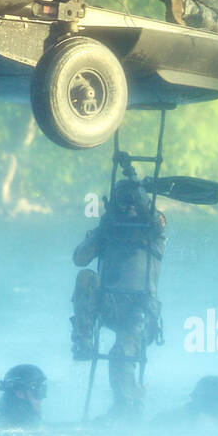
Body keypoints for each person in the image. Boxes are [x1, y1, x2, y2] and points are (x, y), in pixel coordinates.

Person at [71, 174, 165, 420]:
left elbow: (157, 221)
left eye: (134, 203)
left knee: (122, 351)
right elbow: (79, 258)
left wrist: (139, 193)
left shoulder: (152, 231)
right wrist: (103, 229)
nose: (129, 208)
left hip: (140, 309)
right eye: (123, 204)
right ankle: (83, 341)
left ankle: (125, 405)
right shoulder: (108, 230)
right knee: (86, 277)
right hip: (110, 305)